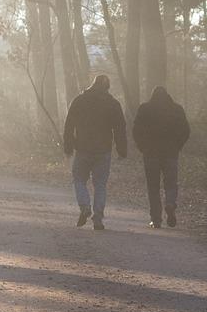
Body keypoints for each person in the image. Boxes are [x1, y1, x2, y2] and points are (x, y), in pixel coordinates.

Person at [63, 74, 128, 230]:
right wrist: (122, 150)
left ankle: (85, 206)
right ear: (107, 87)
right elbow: (120, 128)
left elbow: (69, 125)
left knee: (79, 179)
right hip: (103, 150)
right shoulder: (112, 103)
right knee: (100, 184)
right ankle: (98, 217)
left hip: (83, 148)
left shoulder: (79, 100)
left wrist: (68, 147)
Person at [131, 85, 190, 228]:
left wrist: (142, 147)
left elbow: (135, 130)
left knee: (153, 187)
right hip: (171, 153)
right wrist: (178, 146)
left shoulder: (144, 109)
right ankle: (170, 203)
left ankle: (156, 219)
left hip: (151, 153)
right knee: (171, 183)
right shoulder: (177, 109)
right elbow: (186, 130)